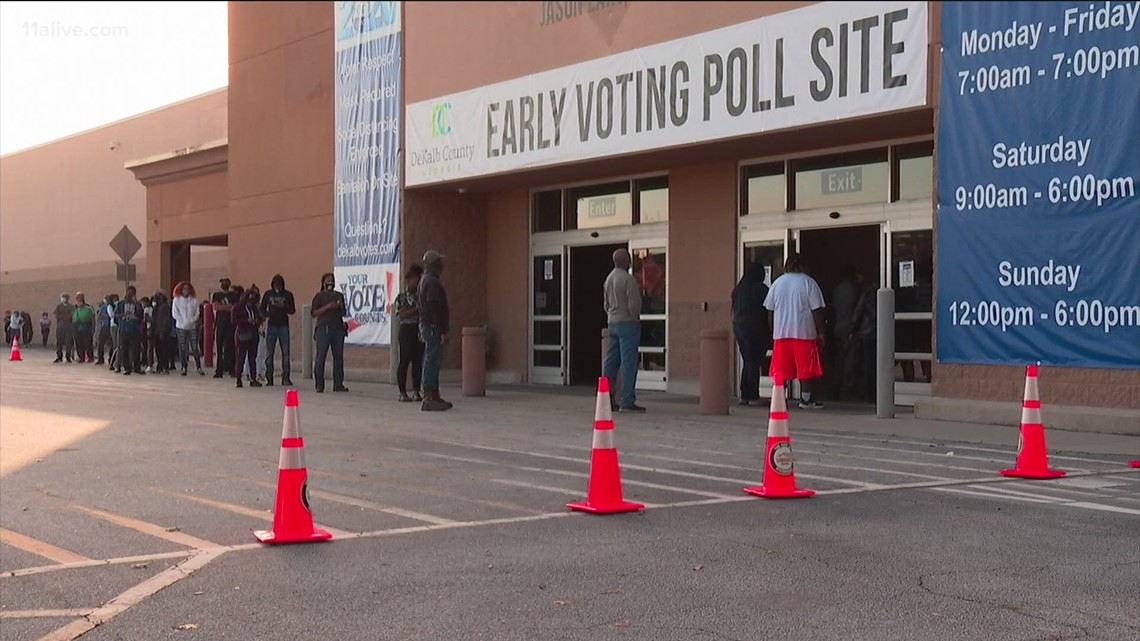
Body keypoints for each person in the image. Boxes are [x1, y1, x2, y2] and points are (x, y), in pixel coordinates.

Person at [764, 253, 827, 409]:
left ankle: (779, 399)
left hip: (781, 333)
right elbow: (817, 310)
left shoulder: (777, 283)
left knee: (780, 369)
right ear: (803, 265)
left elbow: (770, 309)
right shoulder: (809, 282)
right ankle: (806, 399)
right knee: (805, 368)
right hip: (804, 332)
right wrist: (821, 332)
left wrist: (772, 331)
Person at [603, 247, 644, 413]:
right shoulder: (628, 279)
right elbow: (634, 305)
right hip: (627, 323)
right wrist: (635, 318)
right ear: (626, 261)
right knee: (629, 363)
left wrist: (612, 315)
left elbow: (606, 305)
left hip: (612, 323)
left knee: (610, 362)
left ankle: (606, 398)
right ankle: (627, 400)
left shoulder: (608, 279)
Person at [732, 262, 771, 406]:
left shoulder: (738, 290)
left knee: (748, 361)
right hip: (756, 328)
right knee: (754, 362)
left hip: (739, 327)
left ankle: (745, 395)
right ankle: (753, 396)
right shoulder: (761, 290)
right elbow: (769, 309)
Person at [418, 251, 451, 411]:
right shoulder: (431, 282)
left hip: (428, 325)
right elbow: (434, 307)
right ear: (433, 264)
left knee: (433, 359)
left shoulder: (426, 280)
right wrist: (443, 329)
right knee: (432, 360)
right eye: (439, 262)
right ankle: (429, 396)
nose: (442, 265)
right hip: (432, 326)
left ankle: (434, 394)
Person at [310, 273, 348, 393]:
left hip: (337, 328)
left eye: (332, 281)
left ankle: (338, 384)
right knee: (321, 356)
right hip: (323, 328)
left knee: (338, 357)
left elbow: (344, 312)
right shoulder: (319, 296)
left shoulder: (339, 295)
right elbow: (313, 313)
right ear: (323, 283)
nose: (330, 283)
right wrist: (328, 307)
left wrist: (339, 306)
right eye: (328, 281)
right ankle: (319, 384)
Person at [393, 264, 425, 402]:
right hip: (406, 329)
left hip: (418, 329)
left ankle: (417, 390)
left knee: (418, 361)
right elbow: (402, 314)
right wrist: (415, 310)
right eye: (414, 279)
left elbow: (425, 313)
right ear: (408, 280)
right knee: (404, 360)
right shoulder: (401, 297)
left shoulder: (421, 296)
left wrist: (414, 312)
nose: (416, 282)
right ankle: (402, 392)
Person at [830, 264, 860, 399]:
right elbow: (856, 310)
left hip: (838, 326)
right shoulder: (853, 290)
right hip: (849, 327)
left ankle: (836, 386)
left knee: (839, 359)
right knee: (849, 360)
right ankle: (847, 389)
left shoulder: (837, 289)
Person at [260, 274, 296, 387]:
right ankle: (269, 377)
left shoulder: (288, 294)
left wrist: (283, 306)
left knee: (285, 353)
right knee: (269, 353)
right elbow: (262, 309)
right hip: (272, 325)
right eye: (276, 284)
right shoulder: (268, 294)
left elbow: (292, 310)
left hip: (283, 325)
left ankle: (286, 376)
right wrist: (268, 314)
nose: (278, 287)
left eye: (279, 284)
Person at [232, 288, 263, 388]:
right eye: (249, 299)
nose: (250, 302)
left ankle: (253, 379)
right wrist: (246, 321)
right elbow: (234, 320)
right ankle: (238, 379)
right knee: (241, 357)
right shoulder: (237, 307)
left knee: (252, 358)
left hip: (254, 333)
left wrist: (257, 320)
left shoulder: (254, 307)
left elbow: (260, 318)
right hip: (242, 334)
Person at [172, 282, 204, 376]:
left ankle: (198, 366)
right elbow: (175, 313)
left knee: (194, 347)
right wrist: (183, 321)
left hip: (192, 326)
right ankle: (183, 366)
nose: (186, 291)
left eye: (187, 289)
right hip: (181, 326)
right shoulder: (177, 300)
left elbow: (197, 312)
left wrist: (192, 321)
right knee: (182, 347)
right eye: (184, 289)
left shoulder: (194, 300)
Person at [211, 278, 239, 378]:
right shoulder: (216, 295)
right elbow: (216, 307)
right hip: (220, 323)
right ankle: (219, 370)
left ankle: (232, 369)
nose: (224, 284)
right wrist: (227, 306)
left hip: (230, 324)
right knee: (219, 347)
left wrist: (222, 306)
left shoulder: (234, 295)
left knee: (230, 347)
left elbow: (234, 308)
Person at [115, 286, 145, 375]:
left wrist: (136, 304)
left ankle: (137, 367)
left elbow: (140, 315)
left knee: (136, 349)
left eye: (132, 293)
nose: (130, 295)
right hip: (124, 329)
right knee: (124, 349)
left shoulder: (137, 304)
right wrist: (124, 314)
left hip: (134, 330)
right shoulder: (120, 303)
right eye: (129, 293)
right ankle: (127, 368)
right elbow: (115, 315)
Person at [151, 291, 173, 374]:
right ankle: (159, 367)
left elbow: (166, 320)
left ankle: (165, 367)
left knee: (164, 350)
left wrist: (162, 331)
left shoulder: (165, 306)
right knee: (158, 350)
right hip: (156, 331)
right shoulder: (156, 307)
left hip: (162, 332)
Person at [71, 293, 96, 363]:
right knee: (79, 343)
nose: (78, 302)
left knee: (88, 343)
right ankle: (81, 357)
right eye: (78, 301)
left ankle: (90, 357)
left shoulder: (88, 308)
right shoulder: (76, 309)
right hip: (77, 326)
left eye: (80, 301)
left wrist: (93, 328)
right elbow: (73, 318)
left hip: (86, 326)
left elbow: (92, 318)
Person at [53, 293, 75, 363]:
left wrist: (62, 316)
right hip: (60, 327)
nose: (63, 299)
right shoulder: (59, 306)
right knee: (59, 342)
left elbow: (71, 315)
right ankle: (59, 356)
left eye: (64, 297)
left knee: (68, 342)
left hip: (69, 327)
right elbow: (56, 315)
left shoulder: (71, 307)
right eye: (62, 297)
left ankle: (68, 356)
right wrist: (65, 317)